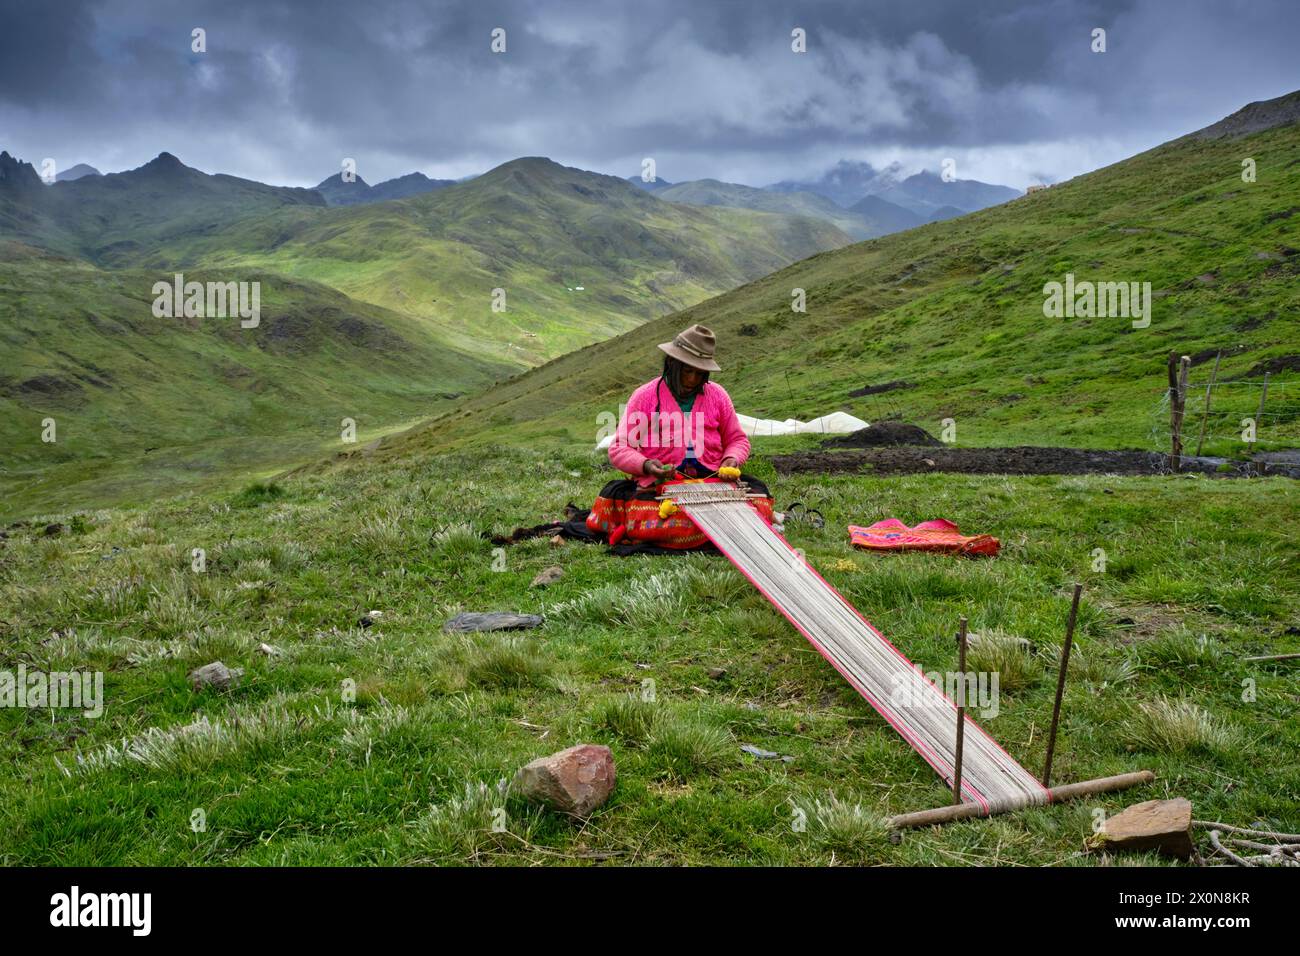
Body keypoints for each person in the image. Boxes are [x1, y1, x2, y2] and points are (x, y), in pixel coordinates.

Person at [608, 324, 750, 483]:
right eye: (687, 371)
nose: (693, 379)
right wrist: (646, 465)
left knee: (757, 504)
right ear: (671, 363)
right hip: (659, 483)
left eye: (700, 373)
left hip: (713, 480)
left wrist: (732, 459)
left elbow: (737, 440)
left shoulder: (718, 396)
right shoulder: (644, 397)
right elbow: (619, 448)